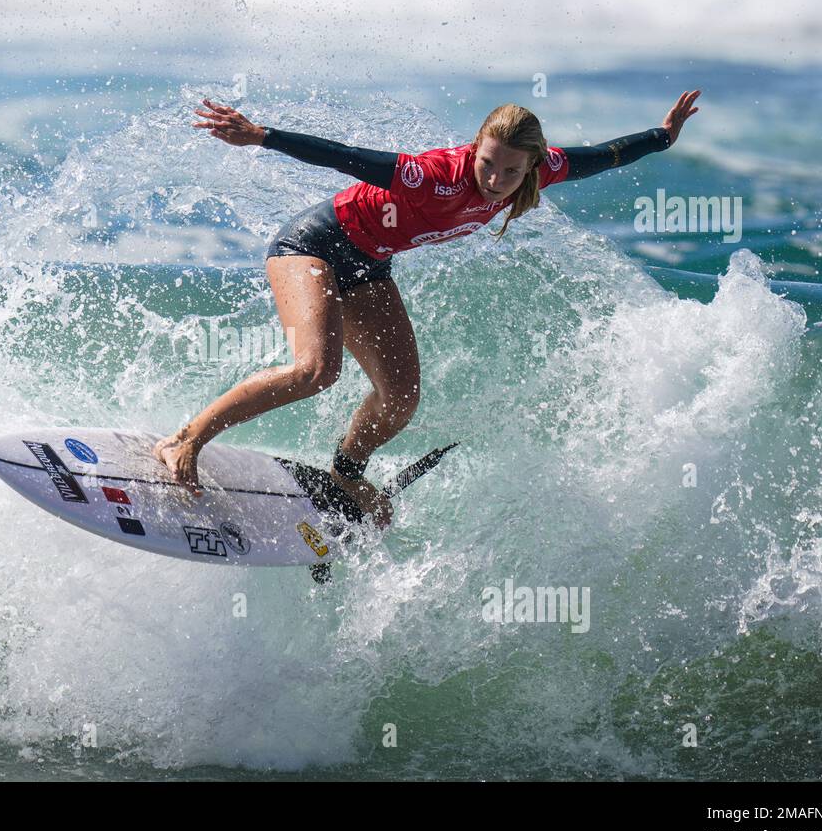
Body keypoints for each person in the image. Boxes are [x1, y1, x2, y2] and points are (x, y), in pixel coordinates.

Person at [153, 91, 702, 527]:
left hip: (368, 262)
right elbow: (346, 157)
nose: (494, 181)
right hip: (314, 245)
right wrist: (262, 137)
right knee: (316, 371)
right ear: (475, 148)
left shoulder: (541, 170)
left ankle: (346, 472)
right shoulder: (434, 174)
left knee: (401, 396)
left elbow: (602, 157)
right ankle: (187, 437)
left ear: (532, 167)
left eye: (510, 172)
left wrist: (662, 137)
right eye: (488, 164)